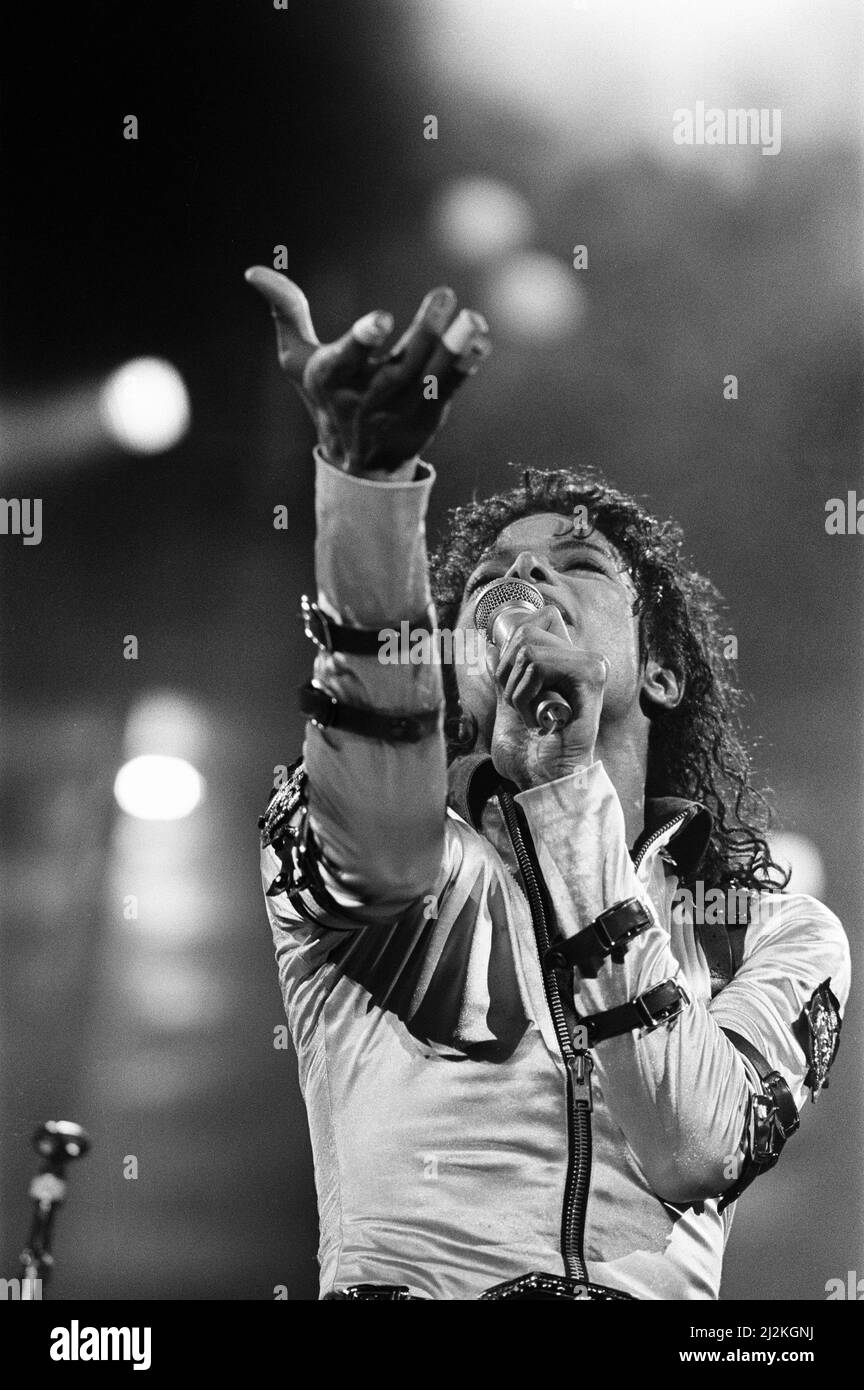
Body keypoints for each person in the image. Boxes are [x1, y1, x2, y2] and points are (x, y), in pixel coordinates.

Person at [248, 268, 850, 1301]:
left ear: (658, 668)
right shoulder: (390, 851)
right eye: (489, 577)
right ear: (461, 688)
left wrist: (568, 792)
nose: (522, 579)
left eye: (576, 565)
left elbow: (694, 1148)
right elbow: (377, 797)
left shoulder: (767, 925)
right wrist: (369, 487)